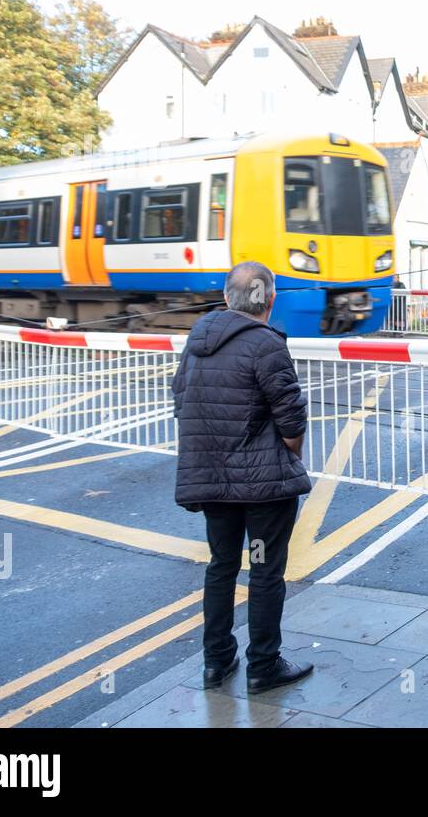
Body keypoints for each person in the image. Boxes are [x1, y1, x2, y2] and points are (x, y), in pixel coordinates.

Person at [171, 261, 315, 695]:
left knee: (221, 566)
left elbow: (182, 398)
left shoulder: (197, 342)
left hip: (212, 479)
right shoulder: (264, 344)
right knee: (265, 570)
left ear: (227, 298)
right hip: (262, 488)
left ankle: (216, 664)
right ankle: (263, 667)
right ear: (269, 300)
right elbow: (291, 416)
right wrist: (289, 453)